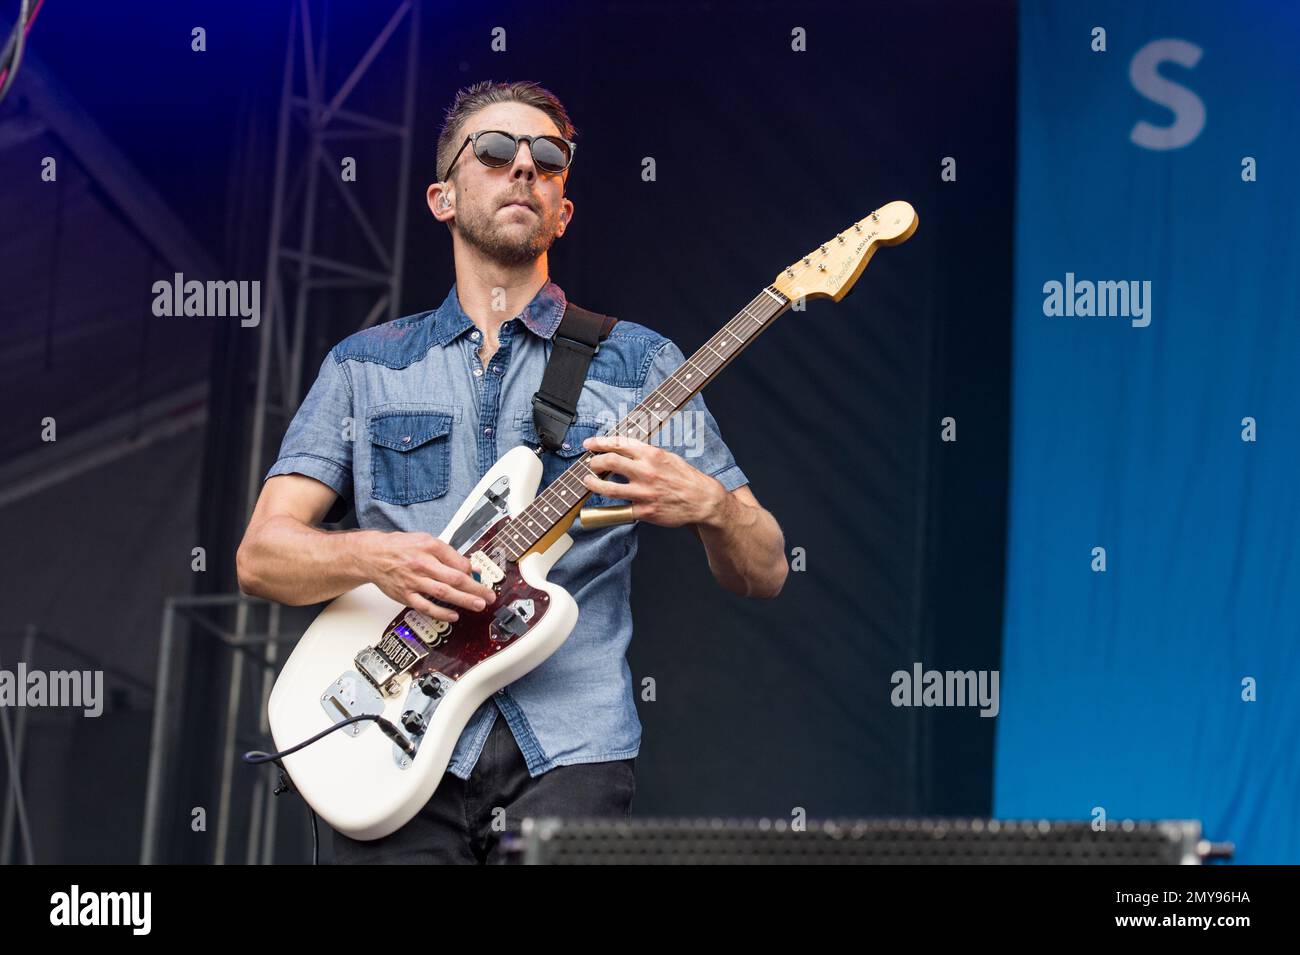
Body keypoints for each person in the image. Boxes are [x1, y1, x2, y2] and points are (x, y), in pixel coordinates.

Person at [235, 80, 787, 864]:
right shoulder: (366, 366)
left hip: (570, 749)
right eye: (494, 152)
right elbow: (261, 556)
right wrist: (375, 556)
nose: (524, 168)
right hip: (385, 737)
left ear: (564, 209)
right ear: (442, 197)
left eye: (550, 159)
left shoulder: (641, 365)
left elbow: (764, 569)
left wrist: (712, 506)